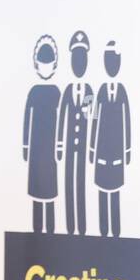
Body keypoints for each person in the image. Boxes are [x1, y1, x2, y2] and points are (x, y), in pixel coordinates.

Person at [91, 40, 131, 237]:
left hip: (116, 154)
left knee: (114, 193)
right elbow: (95, 119)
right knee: (101, 193)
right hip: (101, 153)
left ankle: (115, 233)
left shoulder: (122, 91)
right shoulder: (99, 92)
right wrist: (91, 148)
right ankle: (103, 231)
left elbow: (128, 121)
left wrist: (127, 151)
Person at [57, 30, 95, 235]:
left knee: (80, 187)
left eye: (82, 58)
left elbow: (94, 119)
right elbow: (61, 119)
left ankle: (81, 228)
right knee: (68, 187)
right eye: (76, 58)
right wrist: (60, 146)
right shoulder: (67, 91)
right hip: (69, 149)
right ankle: (70, 227)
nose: (78, 63)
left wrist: (92, 148)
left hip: (82, 149)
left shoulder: (90, 91)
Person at [24, 35, 60, 233]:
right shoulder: (34, 92)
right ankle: (38, 232)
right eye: (42, 62)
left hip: (51, 152)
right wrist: (26, 147)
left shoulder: (56, 92)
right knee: (37, 195)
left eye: (48, 62)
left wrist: (60, 146)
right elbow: (26, 122)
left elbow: (62, 121)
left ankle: (51, 232)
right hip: (36, 153)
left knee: (51, 194)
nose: (45, 66)